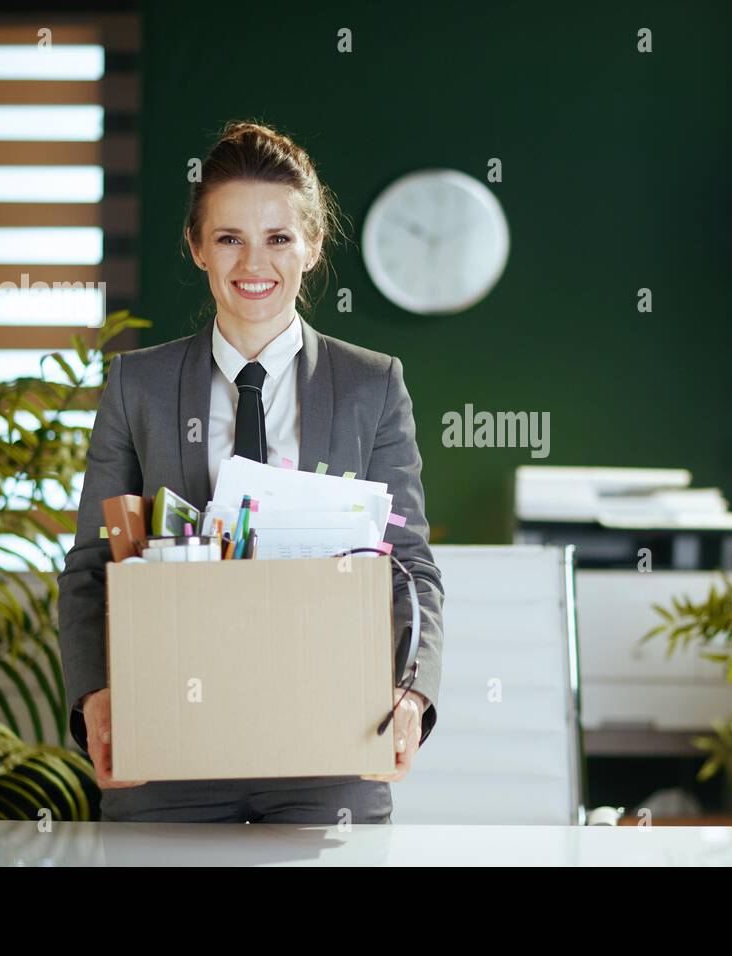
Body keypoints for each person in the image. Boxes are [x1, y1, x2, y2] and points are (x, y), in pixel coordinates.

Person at [58, 120, 444, 824]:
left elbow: (409, 562)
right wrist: (98, 700)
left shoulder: (372, 386)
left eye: (277, 238)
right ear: (197, 246)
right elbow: (91, 564)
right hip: (167, 744)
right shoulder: (136, 385)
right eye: (229, 237)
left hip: (329, 753)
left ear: (312, 246)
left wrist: (411, 694)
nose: (252, 263)